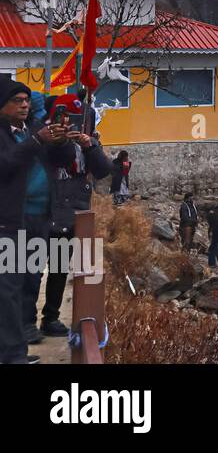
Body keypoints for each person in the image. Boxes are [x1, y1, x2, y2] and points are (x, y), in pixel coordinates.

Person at [0, 77, 71, 363]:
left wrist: (63, 140)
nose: (24, 105)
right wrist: (36, 140)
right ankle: (13, 353)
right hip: (7, 223)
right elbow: (6, 165)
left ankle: (15, 347)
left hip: (38, 219)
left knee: (26, 283)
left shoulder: (31, 131)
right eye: (17, 100)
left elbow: (63, 159)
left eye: (27, 100)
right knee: (7, 290)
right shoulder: (11, 135)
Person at [38, 109, 113, 338]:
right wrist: (62, 140)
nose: (72, 126)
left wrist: (90, 145)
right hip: (47, 211)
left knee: (59, 269)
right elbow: (59, 158)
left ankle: (50, 317)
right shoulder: (47, 140)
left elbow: (103, 170)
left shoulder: (89, 143)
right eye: (66, 120)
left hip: (72, 214)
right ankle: (24, 321)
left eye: (81, 122)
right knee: (31, 268)